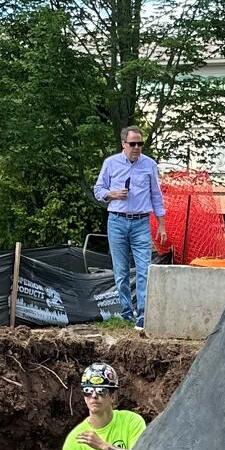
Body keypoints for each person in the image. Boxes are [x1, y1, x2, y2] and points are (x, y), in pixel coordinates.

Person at [95, 128, 165, 333]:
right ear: (123, 144)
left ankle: (143, 313)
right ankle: (127, 310)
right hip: (116, 221)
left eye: (140, 144)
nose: (137, 148)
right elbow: (98, 190)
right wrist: (113, 194)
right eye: (133, 144)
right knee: (121, 270)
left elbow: (156, 196)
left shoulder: (149, 165)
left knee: (144, 268)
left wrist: (161, 224)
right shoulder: (111, 163)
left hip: (141, 222)